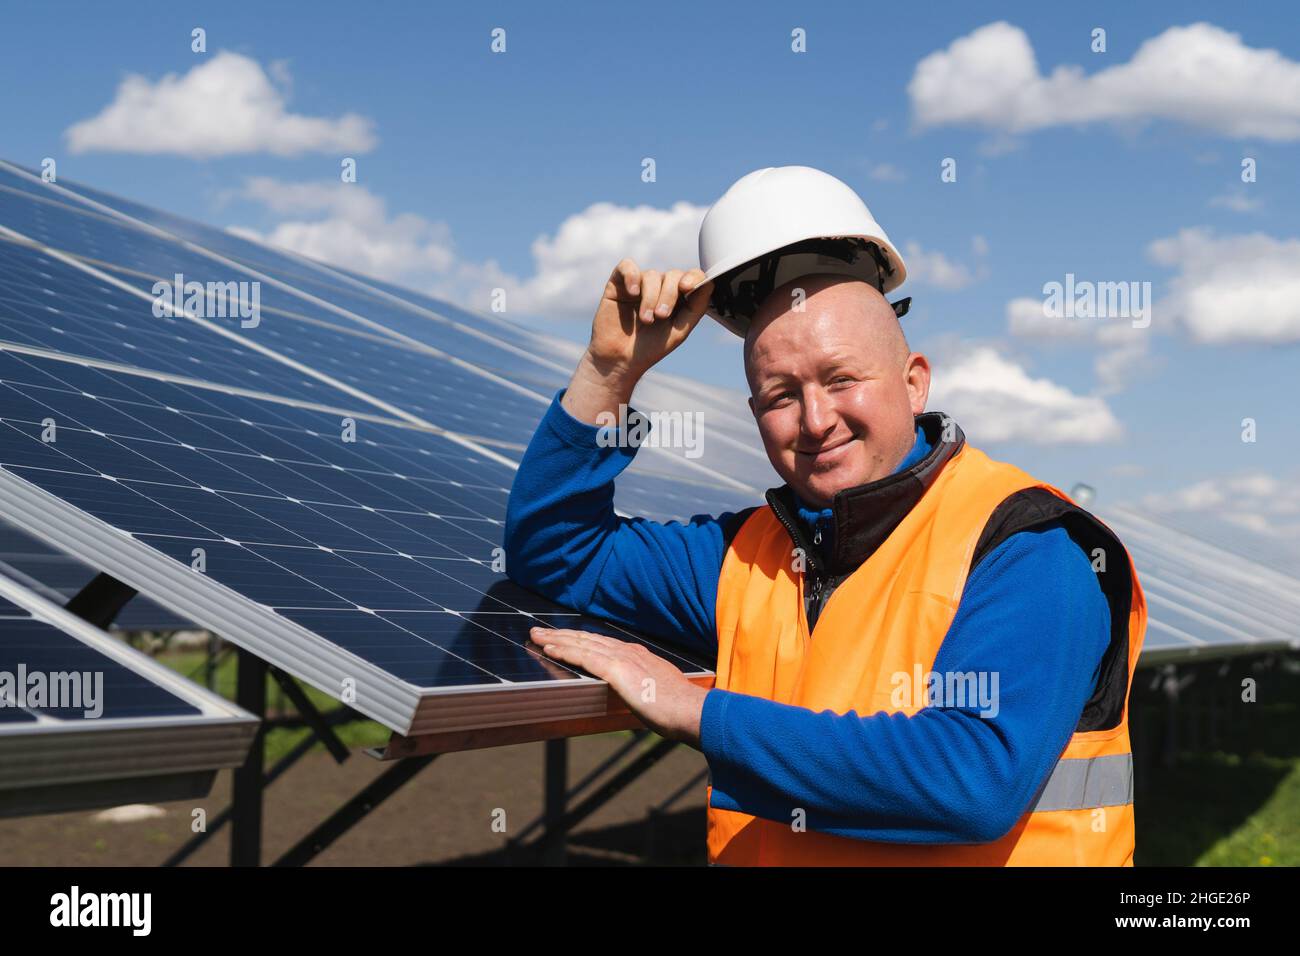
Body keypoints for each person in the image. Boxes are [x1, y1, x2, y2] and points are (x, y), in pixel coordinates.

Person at [504, 166, 1147, 866]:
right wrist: (609, 375)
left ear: (914, 381)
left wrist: (694, 711)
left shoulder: (1027, 545)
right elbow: (556, 552)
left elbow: (974, 777)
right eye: (780, 395)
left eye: (842, 380)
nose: (815, 420)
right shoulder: (746, 556)